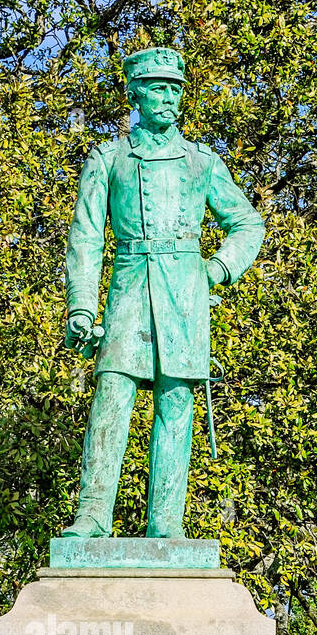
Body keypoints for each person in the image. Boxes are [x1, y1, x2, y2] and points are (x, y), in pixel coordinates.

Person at [62, 45, 264, 539]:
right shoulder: (109, 157)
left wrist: (217, 269)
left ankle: (166, 524)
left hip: (185, 296)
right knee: (112, 394)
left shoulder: (201, 162)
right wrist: (83, 305)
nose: (169, 97)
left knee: (177, 403)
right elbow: (86, 236)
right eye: (158, 87)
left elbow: (246, 223)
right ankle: (91, 517)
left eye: (175, 88)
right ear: (135, 93)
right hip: (128, 288)